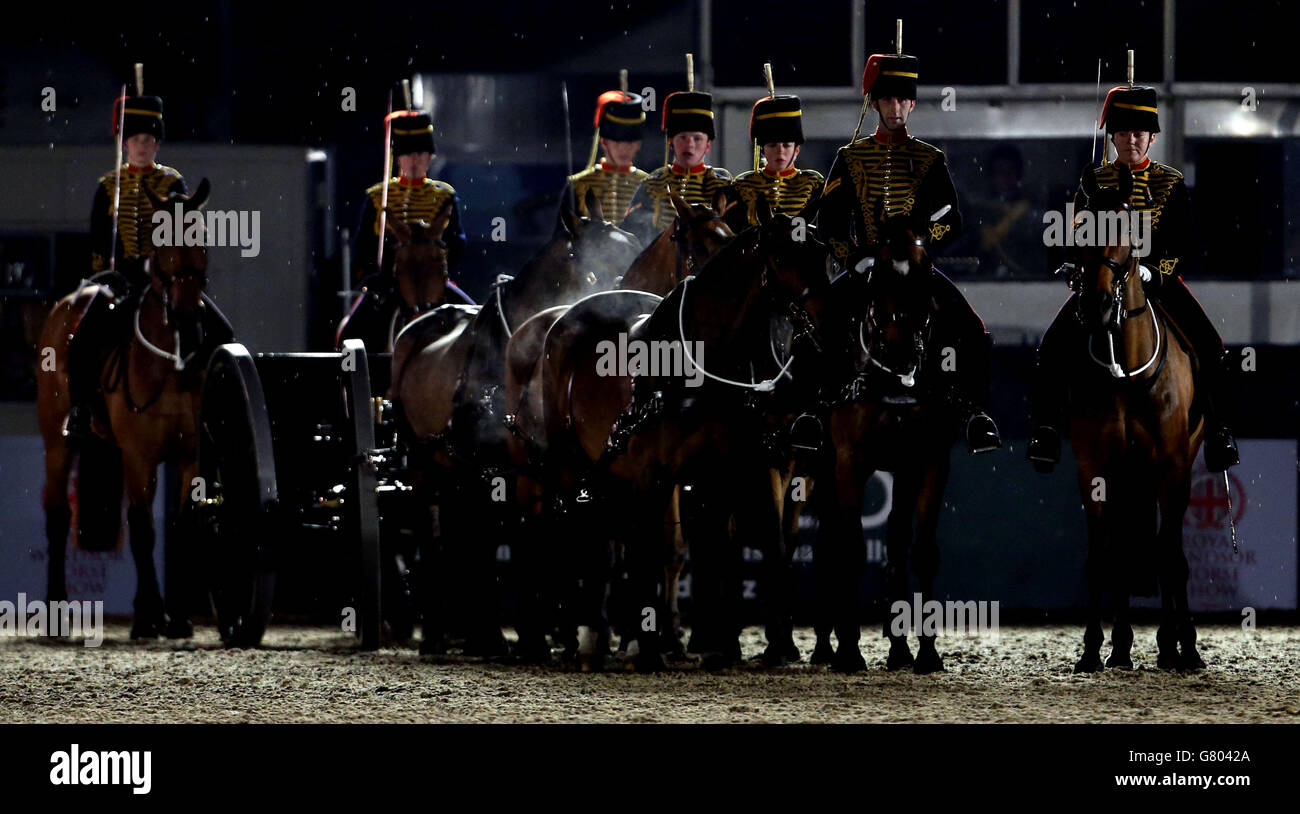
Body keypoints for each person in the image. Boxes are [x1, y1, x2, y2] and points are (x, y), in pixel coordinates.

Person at [1027, 84, 1239, 472]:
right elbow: (1075, 234)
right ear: (1113, 138)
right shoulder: (1095, 180)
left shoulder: (1169, 182)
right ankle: (1045, 430)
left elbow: (1184, 242)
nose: (1131, 141)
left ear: (1152, 137)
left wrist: (1152, 271)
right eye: (1123, 134)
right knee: (1053, 346)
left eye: (1138, 134)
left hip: (1156, 282)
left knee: (1210, 345)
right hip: (1104, 282)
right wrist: (1076, 262)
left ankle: (1219, 433)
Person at [818, 49, 1002, 453]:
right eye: (888, 100)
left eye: (903, 100)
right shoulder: (849, 158)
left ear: (913, 104)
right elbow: (827, 224)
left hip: (916, 268)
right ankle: (814, 412)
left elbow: (953, 218)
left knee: (970, 329)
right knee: (820, 323)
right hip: (868, 266)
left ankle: (974, 414)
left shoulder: (929, 158)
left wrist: (920, 244)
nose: (896, 107)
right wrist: (852, 256)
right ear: (876, 104)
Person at [351, 108, 472, 302]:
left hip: (433, 277)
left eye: (420, 153)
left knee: (471, 315)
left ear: (429, 156)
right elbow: (364, 242)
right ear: (398, 157)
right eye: (408, 153)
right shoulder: (377, 196)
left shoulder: (444, 195)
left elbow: (457, 240)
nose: (415, 159)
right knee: (353, 327)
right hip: (388, 281)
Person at [622, 90, 733, 247]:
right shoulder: (652, 184)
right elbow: (633, 236)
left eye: (697, 138)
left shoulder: (723, 185)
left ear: (708, 145)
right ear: (670, 141)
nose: (690, 145)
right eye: (683, 137)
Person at [724, 93, 823, 233]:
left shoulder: (814, 183)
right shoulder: (742, 185)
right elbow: (732, 230)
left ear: (797, 149)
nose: (780, 151)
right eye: (772, 145)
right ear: (762, 149)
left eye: (786, 145)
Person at [559, 88, 649, 226]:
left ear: (638, 144)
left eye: (630, 142)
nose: (624, 149)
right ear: (604, 141)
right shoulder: (578, 185)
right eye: (618, 142)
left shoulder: (650, 185)